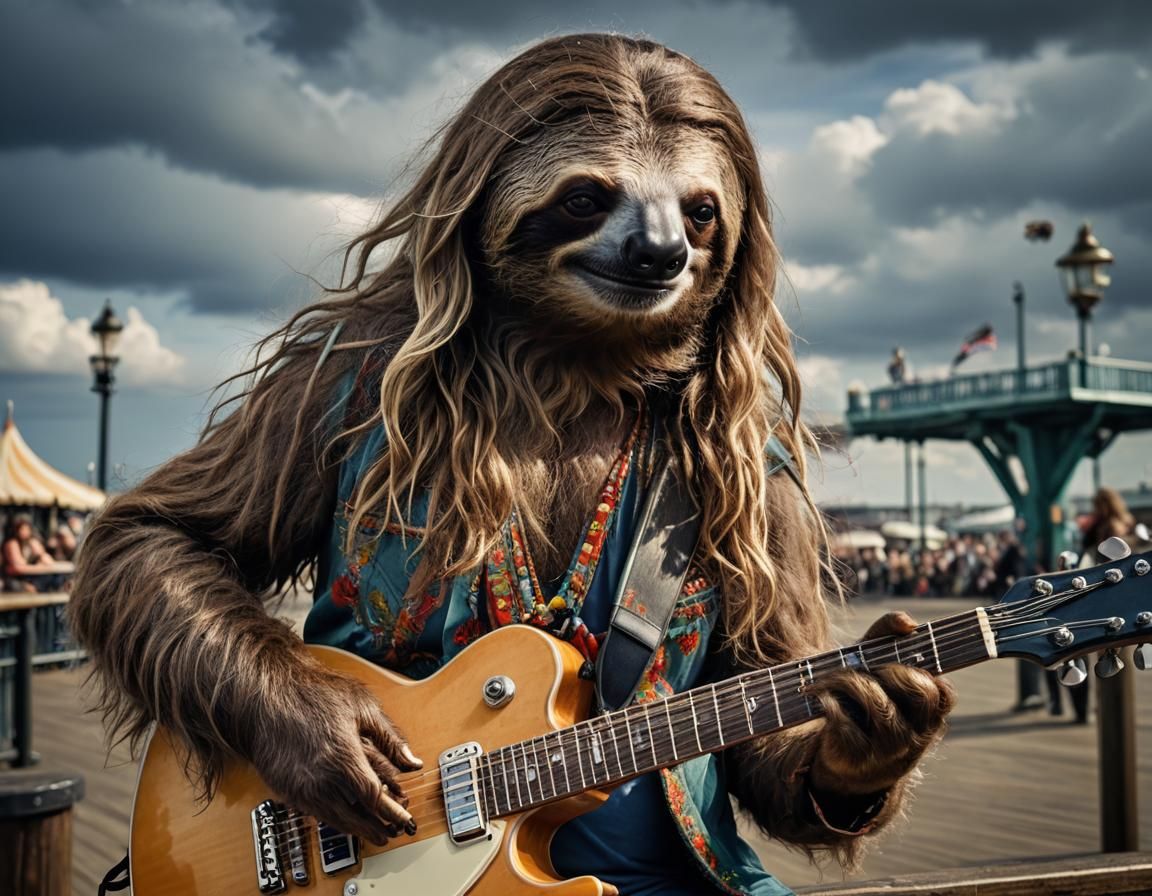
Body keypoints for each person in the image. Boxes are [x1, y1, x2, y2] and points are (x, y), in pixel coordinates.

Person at [70, 35, 952, 895]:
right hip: (379, 868)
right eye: (585, 200)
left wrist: (849, 768)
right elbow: (142, 549)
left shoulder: (732, 450)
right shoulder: (367, 382)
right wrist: (274, 702)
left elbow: (767, 753)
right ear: (484, 206)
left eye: (697, 213)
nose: (659, 246)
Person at [2, 515, 56, 592]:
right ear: (16, 530)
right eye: (22, 529)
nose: (25, 532)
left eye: (27, 529)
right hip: (14, 579)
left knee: (54, 578)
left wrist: (40, 553)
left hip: (29, 577)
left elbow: (48, 561)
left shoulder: (31, 542)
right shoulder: (12, 543)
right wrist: (41, 568)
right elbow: (18, 568)